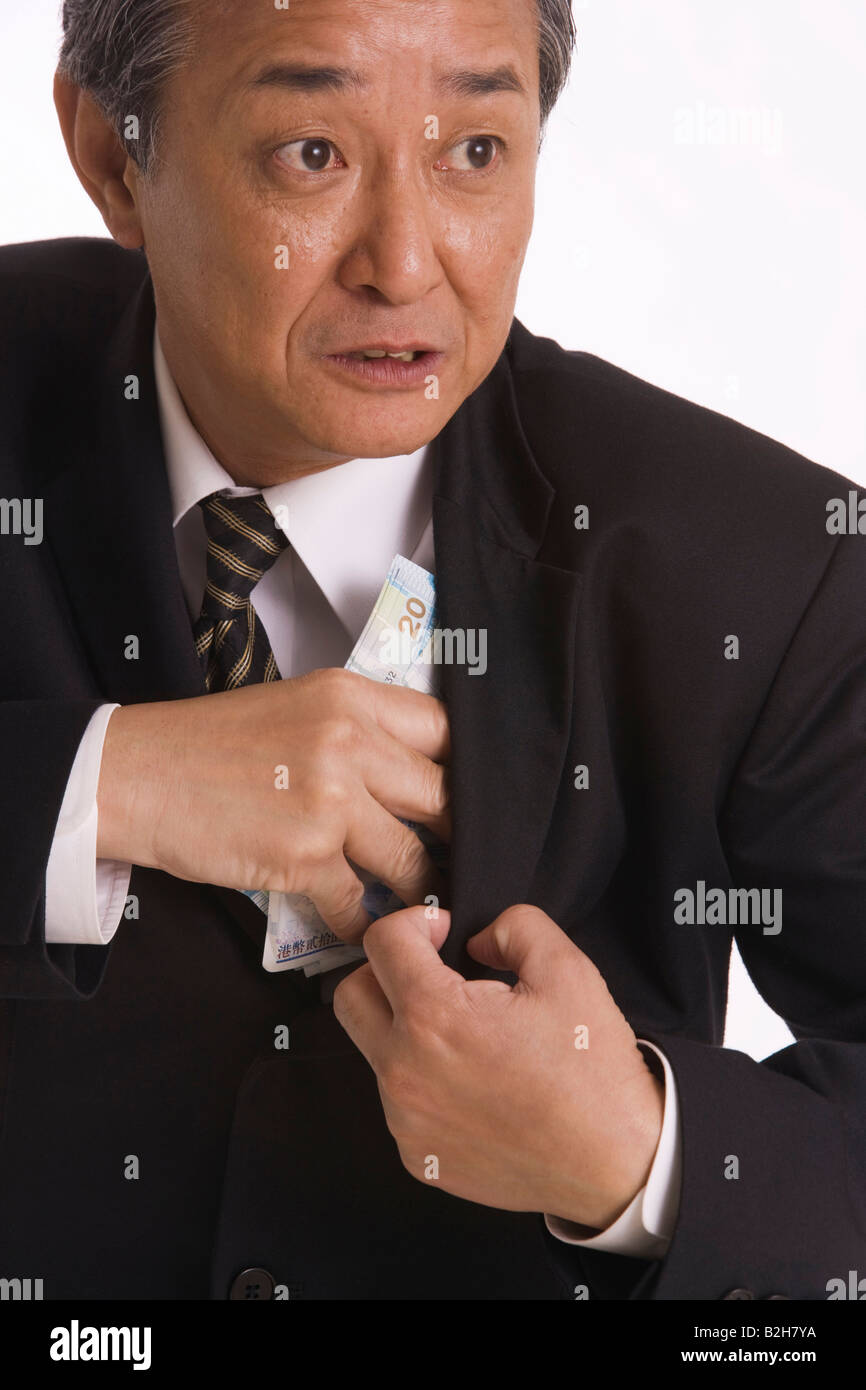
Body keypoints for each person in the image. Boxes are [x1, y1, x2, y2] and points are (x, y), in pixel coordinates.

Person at [0, 0, 863, 1301]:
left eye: (472, 151)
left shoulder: (766, 564)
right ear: (114, 155)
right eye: (311, 152)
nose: (404, 266)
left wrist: (644, 1154)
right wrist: (94, 783)